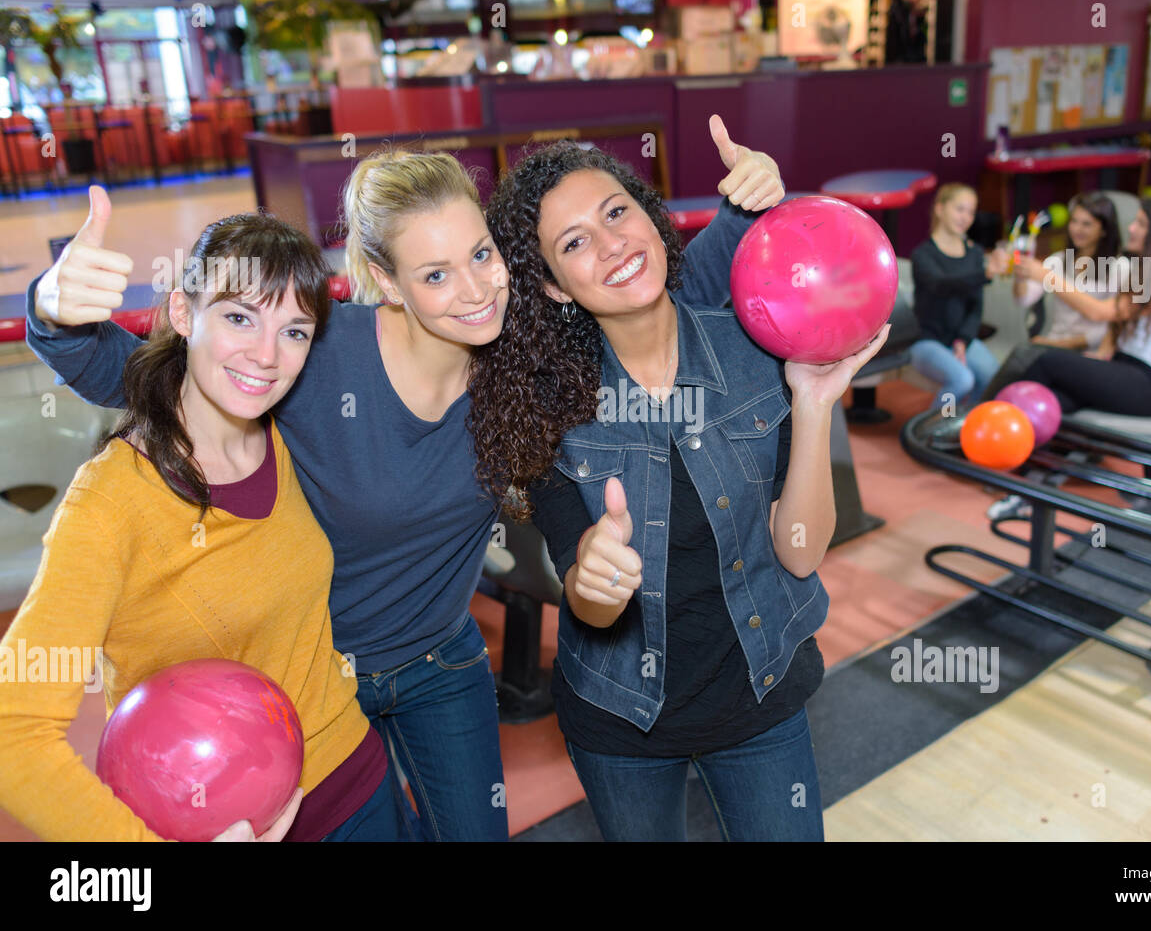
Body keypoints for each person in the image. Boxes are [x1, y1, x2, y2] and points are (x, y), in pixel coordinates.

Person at [23, 153, 511, 841]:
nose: (471, 288)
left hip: (420, 676)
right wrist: (52, 307)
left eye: (481, 253)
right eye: (434, 272)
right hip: (319, 678)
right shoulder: (306, 355)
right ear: (385, 281)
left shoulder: (518, 367)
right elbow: (145, 373)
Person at [468, 116, 889, 841]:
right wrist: (593, 580)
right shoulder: (553, 409)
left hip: (759, 693)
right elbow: (592, 610)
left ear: (651, 216)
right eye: (574, 244)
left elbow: (800, 552)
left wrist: (815, 405)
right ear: (554, 286)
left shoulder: (755, 346)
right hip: (621, 717)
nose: (610, 246)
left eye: (616, 213)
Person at [983, 197, 1151, 519]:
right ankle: (1026, 483)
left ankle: (975, 424)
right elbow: (1120, 322)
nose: (1132, 227)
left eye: (1141, 223)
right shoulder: (1146, 269)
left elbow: (1101, 312)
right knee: (1051, 399)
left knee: (1040, 358)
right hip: (1127, 368)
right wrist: (1104, 352)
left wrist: (1046, 275)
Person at [909, 183, 1010, 411]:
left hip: (961, 340)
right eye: (959, 209)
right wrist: (984, 273)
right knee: (962, 380)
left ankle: (964, 430)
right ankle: (931, 434)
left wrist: (962, 341)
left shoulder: (974, 253)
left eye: (971, 212)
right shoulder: (923, 255)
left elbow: (976, 308)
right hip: (926, 341)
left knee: (993, 378)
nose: (965, 217)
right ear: (940, 209)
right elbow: (940, 286)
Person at [1019, 192, 1125, 352]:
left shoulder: (1119, 268)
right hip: (1053, 343)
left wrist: (1058, 345)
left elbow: (1108, 322)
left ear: (1104, 230)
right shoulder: (1059, 260)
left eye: (1086, 224)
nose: (1077, 229)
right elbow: (1024, 299)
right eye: (1074, 221)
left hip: (1089, 352)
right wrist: (1020, 274)